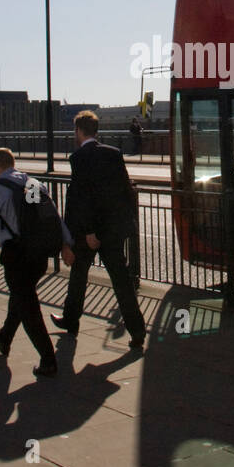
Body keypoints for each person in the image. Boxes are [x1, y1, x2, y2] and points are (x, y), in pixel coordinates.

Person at [0, 147, 73, 378]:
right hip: (38, 254)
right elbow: (50, 217)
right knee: (20, 296)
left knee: (28, 306)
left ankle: (48, 359)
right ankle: (4, 337)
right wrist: (66, 243)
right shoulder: (31, 184)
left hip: (17, 254)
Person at [51, 110, 146, 351]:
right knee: (121, 281)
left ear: (79, 131)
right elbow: (122, 193)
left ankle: (71, 321)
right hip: (112, 229)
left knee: (79, 275)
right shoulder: (113, 154)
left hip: (91, 232)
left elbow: (82, 201)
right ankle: (137, 331)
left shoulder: (80, 159)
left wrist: (84, 235)